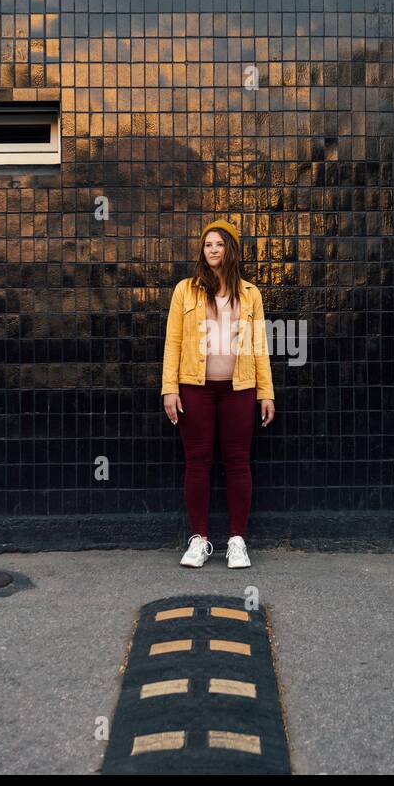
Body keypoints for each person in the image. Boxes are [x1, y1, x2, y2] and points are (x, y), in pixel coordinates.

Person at [161, 218, 275, 568]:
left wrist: (266, 392)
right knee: (197, 461)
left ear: (231, 250)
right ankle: (199, 540)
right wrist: (169, 389)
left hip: (239, 389)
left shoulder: (250, 294)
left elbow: (258, 346)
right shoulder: (186, 290)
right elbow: (174, 341)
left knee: (238, 462)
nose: (212, 249)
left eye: (219, 244)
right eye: (207, 244)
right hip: (195, 388)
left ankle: (237, 541)